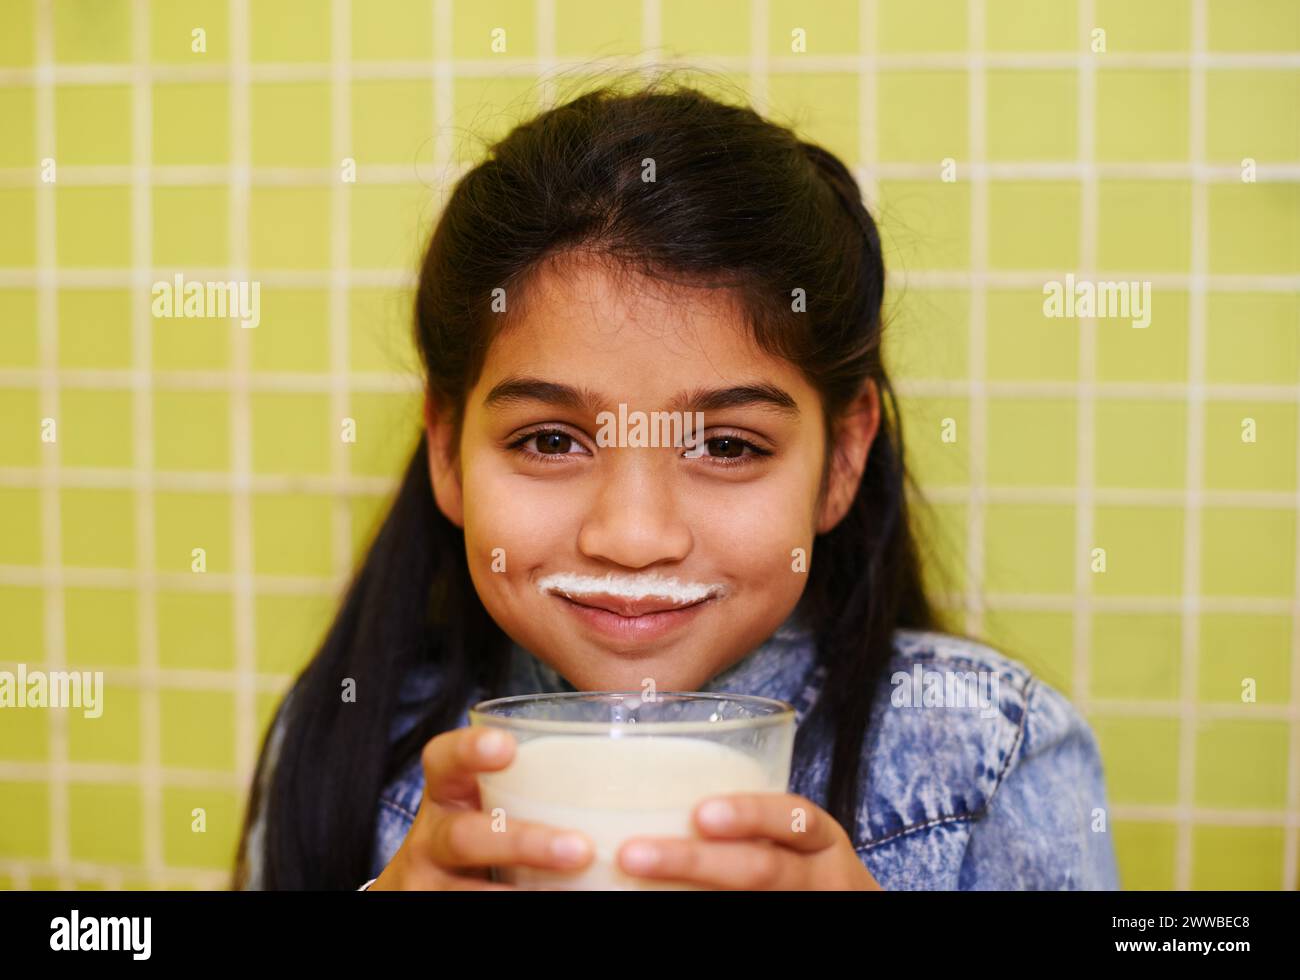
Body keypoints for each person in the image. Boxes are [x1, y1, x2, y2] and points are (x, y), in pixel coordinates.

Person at [232, 73, 1119, 892]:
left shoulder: (990, 753)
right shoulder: (346, 741)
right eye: (551, 440)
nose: (633, 535)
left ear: (841, 462)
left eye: (727, 447)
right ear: (446, 449)